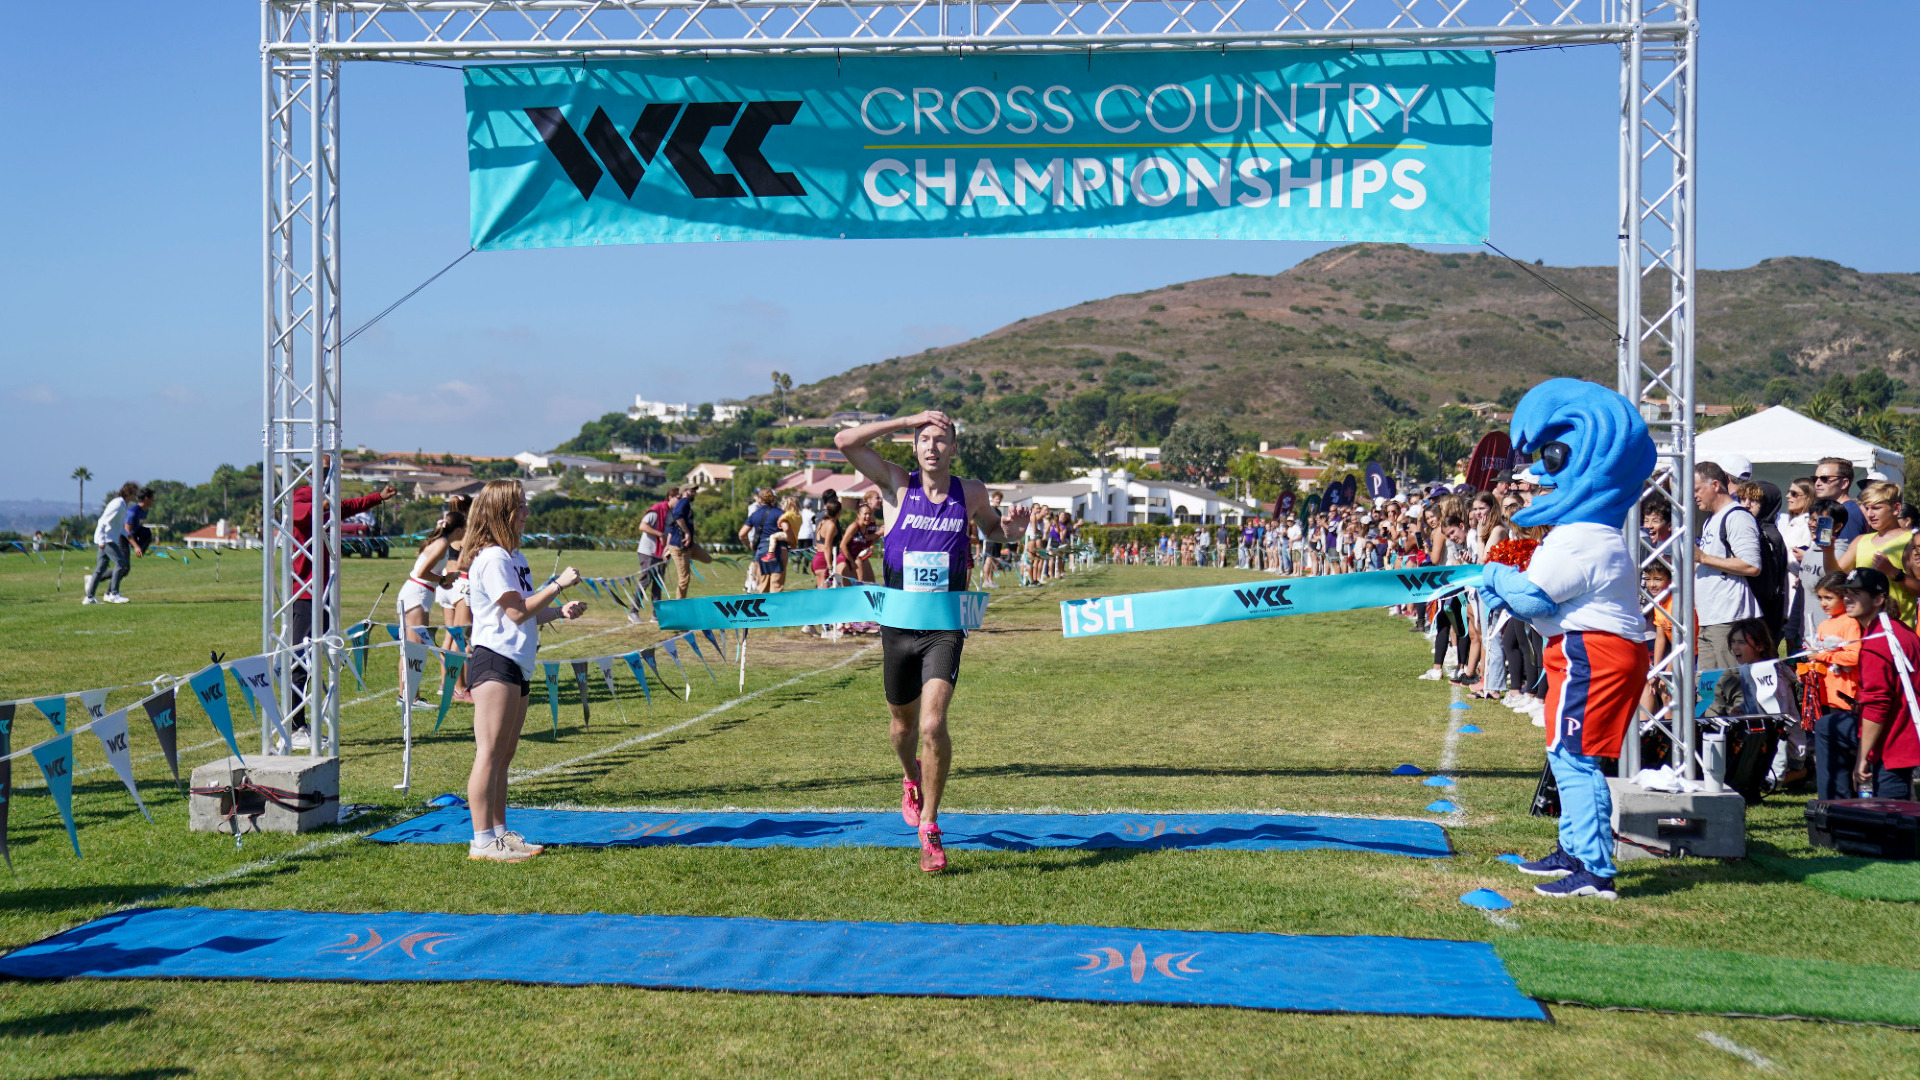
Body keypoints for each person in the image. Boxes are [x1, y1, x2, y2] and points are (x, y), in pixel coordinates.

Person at [835, 409, 1028, 873]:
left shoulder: (972, 492)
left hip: (944, 626)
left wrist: (1012, 535)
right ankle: (910, 778)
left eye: (940, 439)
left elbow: (992, 531)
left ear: (954, 448)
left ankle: (930, 828)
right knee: (902, 730)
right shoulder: (897, 486)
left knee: (931, 725)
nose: (931, 447)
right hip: (898, 627)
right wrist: (909, 418)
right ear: (914, 446)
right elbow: (845, 441)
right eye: (923, 439)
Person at [461, 479, 587, 862]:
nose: (527, 513)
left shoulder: (512, 557)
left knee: (504, 755)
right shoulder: (494, 558)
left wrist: (557, 611)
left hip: (515, 660)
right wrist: (558, 585)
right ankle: (482, 840)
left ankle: (499, 833)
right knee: (489, 752)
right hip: (495, 659)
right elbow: (516, 612)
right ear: (502, 512)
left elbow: (523, 611)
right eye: (520, 506)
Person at [286, 469, 398, 748]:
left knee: (312, 661)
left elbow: (346, 506)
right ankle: (293, 727)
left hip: (323, 594)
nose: (329, 476)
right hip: (304, 593)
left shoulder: (326, 499)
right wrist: (324, 503)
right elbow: (300, 514)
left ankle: (302, 724)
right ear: (311, 472)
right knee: (298, 662)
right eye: (325, 471)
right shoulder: (299, 496)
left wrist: (378, 498)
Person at [1837, 568, 1920, 800]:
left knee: (1893, 817)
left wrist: (1862, 759)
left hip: (1896, 739)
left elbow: (1877, 705)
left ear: (1878, 599)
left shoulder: (1878, 643)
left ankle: (1839, 815)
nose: (1847, 598)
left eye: (1856, 593)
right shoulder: (1897, 629)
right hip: (1904, 728)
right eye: (1845, 592)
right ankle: (1837, 811)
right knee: (1827, 728)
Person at [1692, 461, 1763, 673]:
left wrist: (1704, 558)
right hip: (1709, 618)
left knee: (1732, 688)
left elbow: (1752, 565)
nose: (1694, 496)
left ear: (1715, 485)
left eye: (1697, 490)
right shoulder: (1710, 521)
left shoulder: (1737, 517)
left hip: (1730, 619)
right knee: (1707, 691)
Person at [399, 507, 465, 709]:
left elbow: (429, 572)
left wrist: (442, 581)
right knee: (414, 648)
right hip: (417, 595)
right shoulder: (442, 544)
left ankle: (409, 696)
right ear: (459, 530)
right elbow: (422, 571)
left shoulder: (440, 542)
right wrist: (444, 578)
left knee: (412, 647)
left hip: (421, 593)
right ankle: (410, 698)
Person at [1822, 481, 1913, 626]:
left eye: (1876, 508)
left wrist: (1894, 572)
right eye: (1867, 508)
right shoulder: (1860, 540)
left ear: (1896, 508)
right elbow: (1835, 575)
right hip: (1862, 630)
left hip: (1898, 629)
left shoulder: (1911, 541)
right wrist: (1828, 552)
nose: (1870, 514)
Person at [1808, 571, 1865, 799]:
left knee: (1849, 751)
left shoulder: (1850, 623)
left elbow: (1854, 656)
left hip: (1846, 695)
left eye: (1829, 598)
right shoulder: (1824, 625)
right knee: (1834, 750)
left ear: (1845, 597)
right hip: (1826, 694)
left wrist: (1822, 656)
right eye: (1820, 598)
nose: (1823, 603)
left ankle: (1855, 793)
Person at [83, 481, 141, 605]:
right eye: (135, 493)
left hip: (107, 539)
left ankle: (89, 598)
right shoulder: (118, 504)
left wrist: (131, 539)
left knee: (101, 568)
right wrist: (102, 541)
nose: (136, 496)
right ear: (129, 493)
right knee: (121, 564)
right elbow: (103, 521)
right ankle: (113, 594)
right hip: (106, 540)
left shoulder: (123, 505)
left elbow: (119, 527)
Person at [740, 488, 789, 594]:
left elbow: (741, 534)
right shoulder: (780, 513)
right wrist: (791, 540)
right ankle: (775, 608)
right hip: (777, 550)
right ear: (774, 499)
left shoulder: (755, 515)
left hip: (761, 550)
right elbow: (787, 529)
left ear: (760, 500)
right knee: (776, 584)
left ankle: (764, 608)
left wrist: (748, 544)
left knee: (763, 584)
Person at [636, 492, 669, 605]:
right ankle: (633, 611)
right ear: (671, 497)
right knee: (646, 581)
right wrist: (659, 534)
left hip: (661, 554)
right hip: (648, 552)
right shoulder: (656, 511)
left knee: (658, 584)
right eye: (678, 498)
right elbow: (642, 526)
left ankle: (656, 615)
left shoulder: (673, 515)